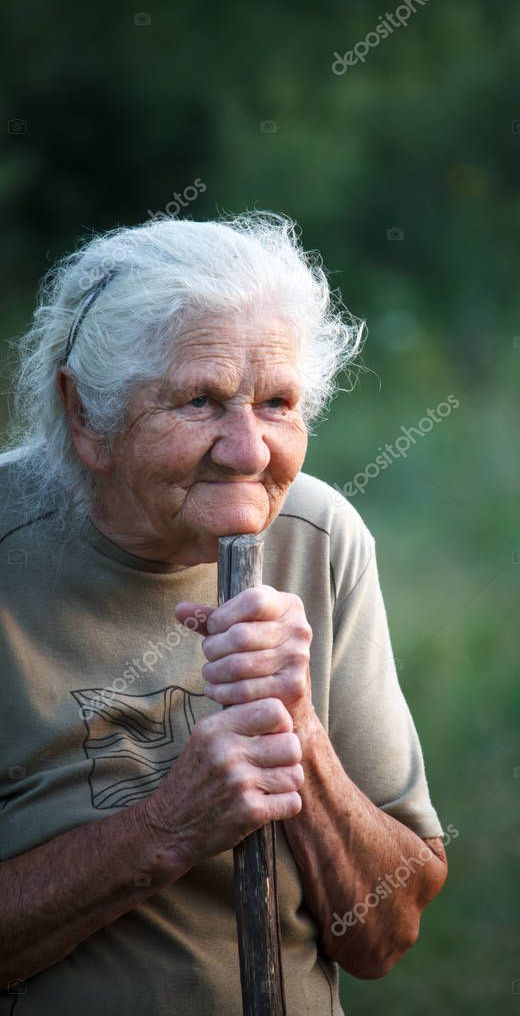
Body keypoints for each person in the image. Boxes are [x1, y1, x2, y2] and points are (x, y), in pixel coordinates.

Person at [0, 212, 447, 1015]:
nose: (248, 450)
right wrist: (165, 830)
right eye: (202, 401)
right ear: (85, 417)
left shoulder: (321, 536)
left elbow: (386, 932)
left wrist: (301, 733)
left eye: (277, 403)